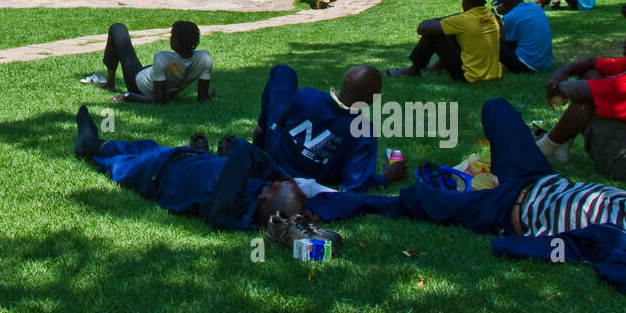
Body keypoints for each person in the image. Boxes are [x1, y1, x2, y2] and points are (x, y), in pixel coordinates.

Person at [395, 98, 626, 313]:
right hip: (535, 176)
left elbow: (623, 275)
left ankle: (351, 199)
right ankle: (541, 151)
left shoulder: (621, 244)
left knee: (413, 199)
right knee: (495, 107)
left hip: (504, 210)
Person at [73, 106, 398, 233]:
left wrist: (278, 173)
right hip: (180, 157)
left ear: (263, 196)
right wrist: (387, 187)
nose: (267, 183)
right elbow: (347, 202)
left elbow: (244, 151)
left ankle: (91, 145)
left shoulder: (228, 212)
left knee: (113, 158)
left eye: (269, 185)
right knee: (142, 143)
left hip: (154, 176)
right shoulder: (258, 200)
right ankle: (104, 142)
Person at [535, 8, 626, 183]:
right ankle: (559, 145)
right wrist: (561, 74)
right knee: (591, 75)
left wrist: (557, 86)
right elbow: (591, 62)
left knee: (589, 99)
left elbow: (582, 90)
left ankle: (544, 150)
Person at [252, 64, 408, 193]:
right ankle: (261, 134)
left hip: (276, 152)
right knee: (283, 73)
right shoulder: (363, 132)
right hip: (310, 175)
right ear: (370, 100)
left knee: (283, 71)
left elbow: (280, 119)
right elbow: (355, 185)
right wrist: (387, 176)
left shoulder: (307, 95)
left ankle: (260, 133)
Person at [387, 0, 503, 83]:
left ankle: (413, 70)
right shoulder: (491, 16)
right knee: (452, 32)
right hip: (493, 74)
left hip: (469, 76)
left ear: (465, 3)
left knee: (435, 35)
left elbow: (422, 28)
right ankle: (436, 66)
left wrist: (448, 18)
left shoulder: (463, 20)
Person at [80, 21, 213, 104]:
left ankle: (110, 83)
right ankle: (109, 83)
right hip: (159, 76)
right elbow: (203, 97)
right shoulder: (204, 58)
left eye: (172, 36)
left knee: (118, 29)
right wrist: (210, 92)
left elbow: (158, 100)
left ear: (176, 42)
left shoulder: (163, 58)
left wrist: (128, 96)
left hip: (137, 82)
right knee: (157, 68)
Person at [492, 0, 553, 74]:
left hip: (526, 66)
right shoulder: (535, 6)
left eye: (503, 3)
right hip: (545, 64)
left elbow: (509, 43)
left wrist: (498, 22)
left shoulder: (510, 17)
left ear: (512, 0)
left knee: (489, 36)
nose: (501, 6)